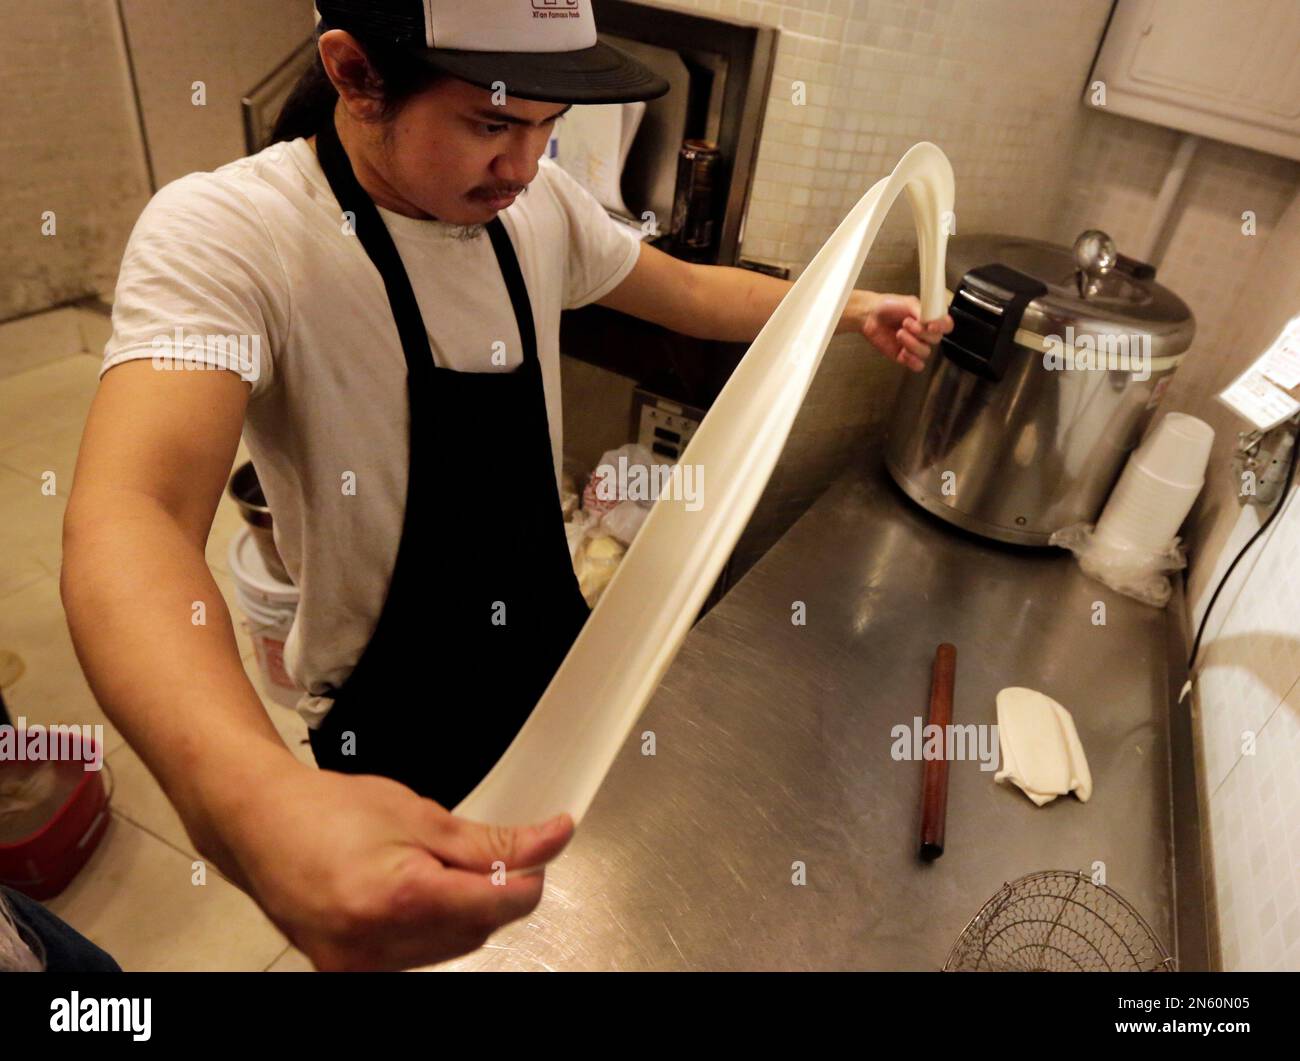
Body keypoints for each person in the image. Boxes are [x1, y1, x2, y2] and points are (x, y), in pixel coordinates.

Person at [61, 0, 952, 971]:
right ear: (357, 75)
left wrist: (847, 305)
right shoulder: (231, 235)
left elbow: (689, 291)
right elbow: (132, 513)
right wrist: (250, 799)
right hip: (392, 711)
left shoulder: (536, 211)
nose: (525, 166)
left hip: (547, 651)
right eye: (490, 124)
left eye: (546, 128)